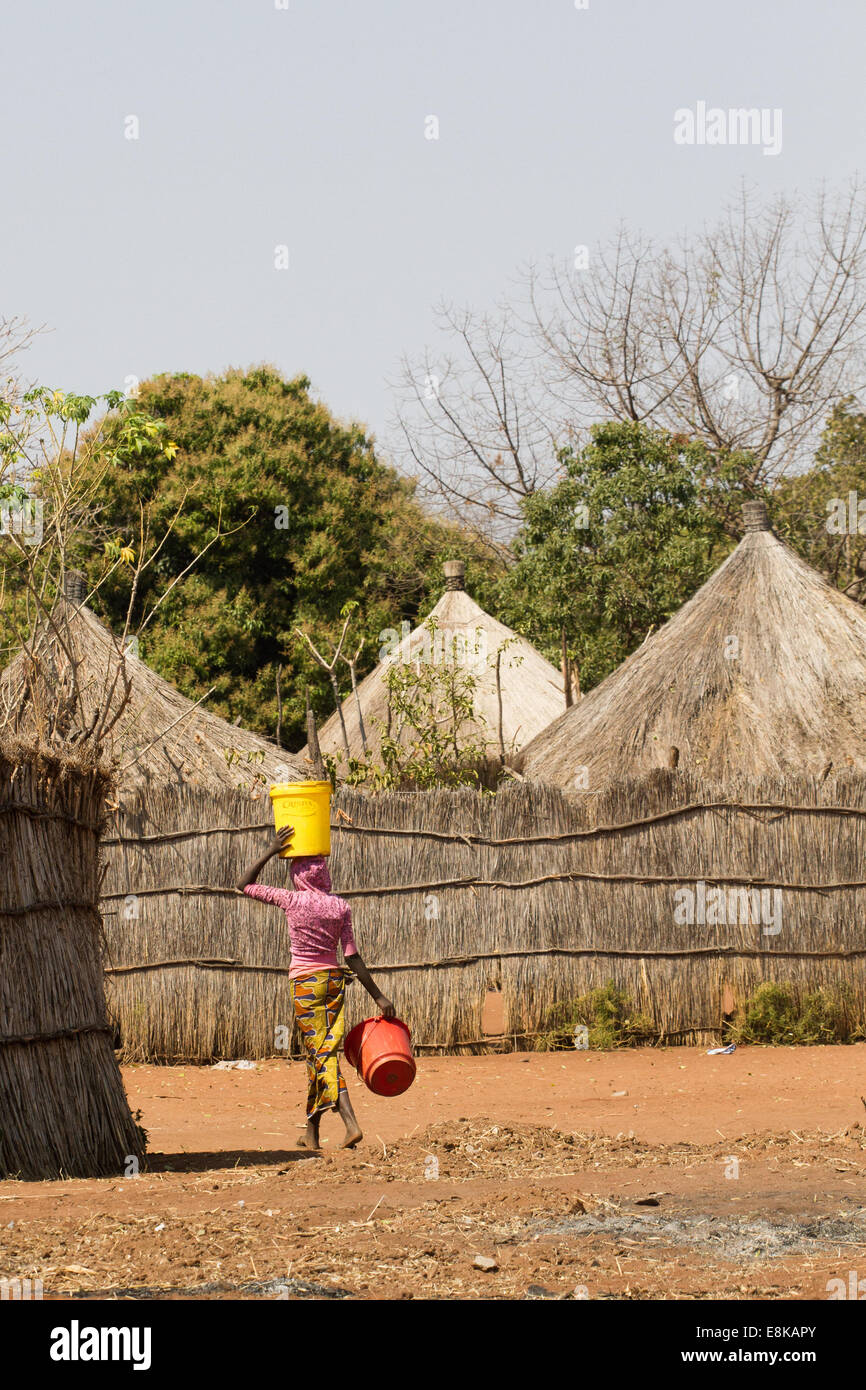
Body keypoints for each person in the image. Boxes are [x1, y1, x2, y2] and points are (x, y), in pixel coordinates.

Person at [236, 824, 394, 1150]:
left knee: (321, 1054)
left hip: (306, 984)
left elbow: (243, 884)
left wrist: (270, 850)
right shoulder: (340, 906)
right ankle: (312, 1133)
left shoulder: (291, 900)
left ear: (298, 875)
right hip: (335, 982)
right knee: (319, 1053)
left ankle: (351, 1123)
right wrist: (378, 995)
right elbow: (352, 956)